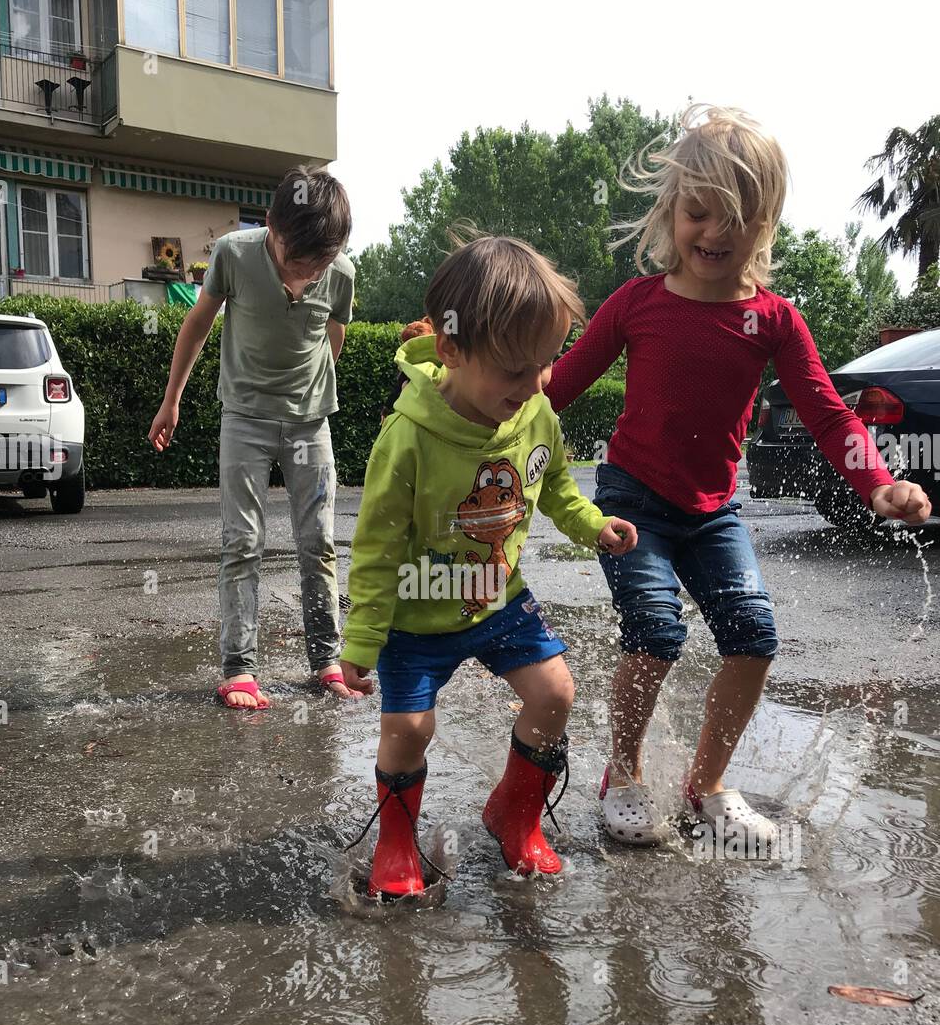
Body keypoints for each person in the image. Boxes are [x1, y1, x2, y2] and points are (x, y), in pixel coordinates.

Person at [545, 104, 932, 851]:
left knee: (752, 637)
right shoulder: (637, 304)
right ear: (671, 212)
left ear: (764, 226)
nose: (714, 233)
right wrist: (470, 420)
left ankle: (707, 786)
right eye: (699, 213)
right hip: (632, 500)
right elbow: (553, 391)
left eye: (737, 219)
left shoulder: (774, 320)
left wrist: (877, 483)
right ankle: (621, 775)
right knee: (654, 632)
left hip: (713, 510)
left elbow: (827, 415)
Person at [339, 235, 637, 898]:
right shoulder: (408, 437)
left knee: (554, 692)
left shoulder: (533, 412)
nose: (533, 385)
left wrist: (593, 524)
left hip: (496, 598)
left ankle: (514, 813)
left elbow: (553, 486)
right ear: (451, 349)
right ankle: (394, 841)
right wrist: (361, 640)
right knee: (408, 727)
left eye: (545, 363)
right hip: (416, 609)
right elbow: (377, 545)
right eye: (512, 369)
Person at [148, 167, 361, 707]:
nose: (305, 277)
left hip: (311, 423)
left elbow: (334, 328)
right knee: (242, 543)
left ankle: (327, 660)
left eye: (318, 266)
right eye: (296, 263)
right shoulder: (233, 255)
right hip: (244, 417)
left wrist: (319, 385)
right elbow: (197, 322)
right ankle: (239, 668)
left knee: (319, 544)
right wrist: (171, 400)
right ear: (270, 225)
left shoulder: (340, 273)